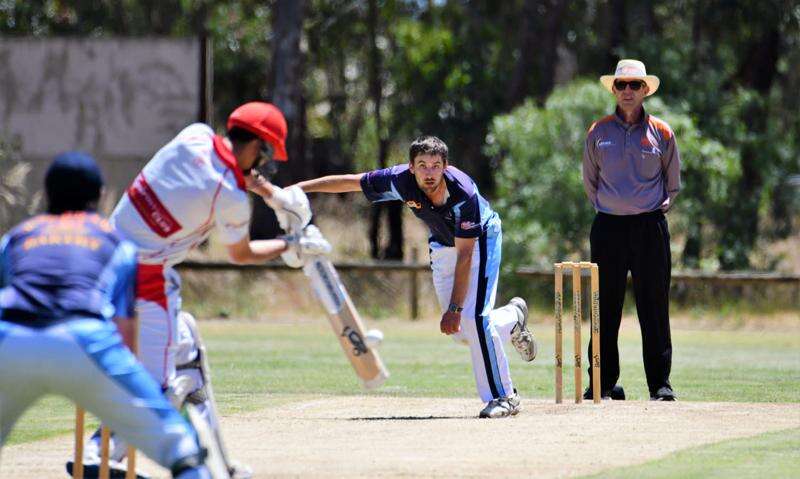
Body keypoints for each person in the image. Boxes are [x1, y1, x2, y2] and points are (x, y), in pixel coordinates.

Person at [74, 102, 328, 477]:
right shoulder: (228, 196)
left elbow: (222, 174)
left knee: (189, 359)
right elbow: (240, 253)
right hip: (143, 277)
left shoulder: (195, 137)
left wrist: (269, 192)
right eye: (265, 152)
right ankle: (102, 451)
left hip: (107, 257)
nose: (263, 162)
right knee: (158, 386)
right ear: (256, 145)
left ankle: (214, 464)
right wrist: (291, 246)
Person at [292, 135, 537, 418]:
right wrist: (298, 189)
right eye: (422, 165)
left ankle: (504, 396)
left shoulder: (463, 194)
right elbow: (350, 181)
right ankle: (512, 317)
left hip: (480, 240)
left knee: (472, 319)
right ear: (411, 167)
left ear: (445, 166)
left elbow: (466, 255)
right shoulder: (399, 180)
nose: (429, 172)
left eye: (435, 165)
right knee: (461, 334)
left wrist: (456, 309)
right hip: (443, 244)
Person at [0, 152, 211, 478]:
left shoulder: (17, 236)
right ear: (99, 195)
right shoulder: (116, 241)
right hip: (83, 339)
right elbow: (125, 329)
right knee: (181, 451)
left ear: (47, 192)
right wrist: (120, 389)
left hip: (10, 341)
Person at [582, 59, 681, 401]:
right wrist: (614, 206)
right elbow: (590, 183)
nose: (627, 91)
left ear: (645, 91)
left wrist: (650, 208)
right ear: (614, 89)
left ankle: (660, 384)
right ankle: (603, 383)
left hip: (649, 227)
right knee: (604, 305)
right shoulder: (598, 131)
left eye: (634, 85)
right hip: (608, 227)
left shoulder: (663, 132)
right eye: (621, 85)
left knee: (653, 305)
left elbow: (673, 183)